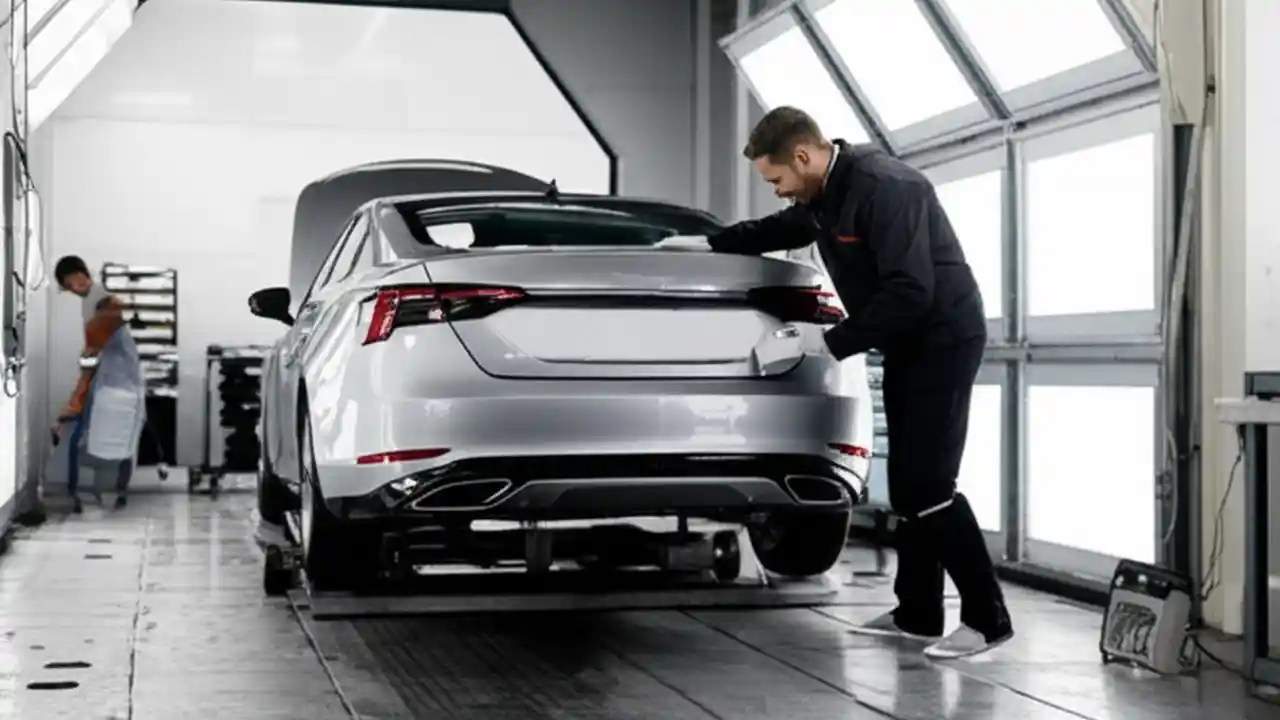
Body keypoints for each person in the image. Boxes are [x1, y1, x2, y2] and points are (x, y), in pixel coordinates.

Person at [709, 106, 1013, 659]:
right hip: (906, 341)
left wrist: (827, 342)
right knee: (907, 485)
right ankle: (917, 613)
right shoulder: (824, 195)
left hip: (943, 338)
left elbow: (911, 291)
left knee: (930, 486)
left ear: (803, 156)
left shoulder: (886, 188)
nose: (777, 191)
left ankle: (987, 619)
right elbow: (781, 228)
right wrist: (709, 246)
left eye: (776, 179)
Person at [52, 255, 139, 512]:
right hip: (118, 382)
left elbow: (93, 350)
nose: (72, 289)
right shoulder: (95, 301)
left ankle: (84, 493)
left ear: (82, 274)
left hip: (113, 385)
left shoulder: (101, 301)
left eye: (71, 282)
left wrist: (77, 395)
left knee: (90, 436)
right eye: (67, 286)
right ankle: (115, 492)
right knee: (121, 439)